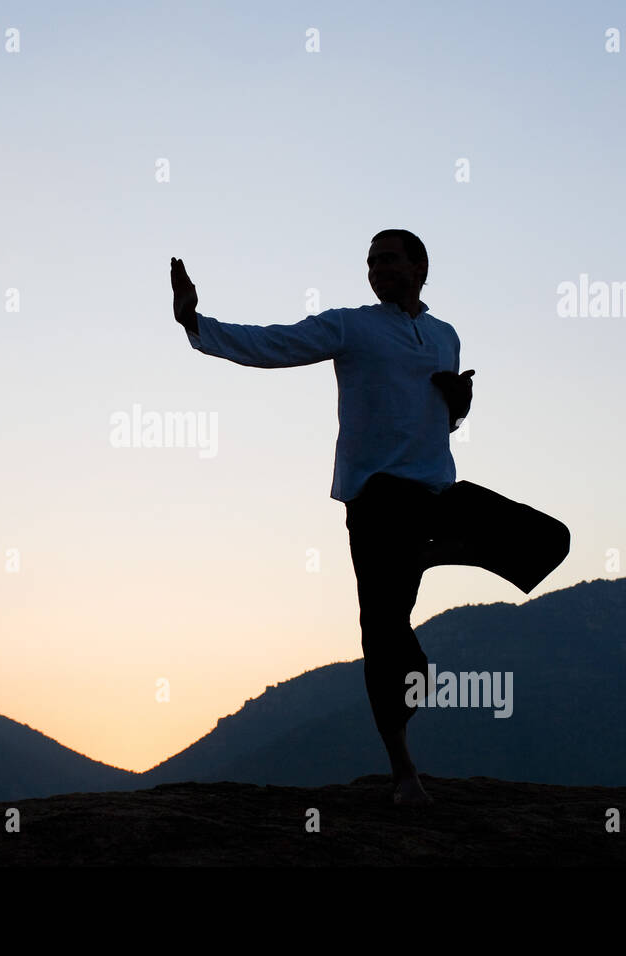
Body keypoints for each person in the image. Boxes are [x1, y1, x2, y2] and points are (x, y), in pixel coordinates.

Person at [170, 229, 568, 806]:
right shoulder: (351, 326)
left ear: (419, 266)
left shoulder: (444, 336)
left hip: (438, 490)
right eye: (370, 262)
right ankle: (405, 773)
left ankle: (431, 551)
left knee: (548, 538)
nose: (376, 269)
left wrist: (456, 407)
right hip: (378, 498)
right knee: (385, 636)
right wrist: (196, 324)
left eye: (388, 259)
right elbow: (275, 344)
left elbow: (443, 419)